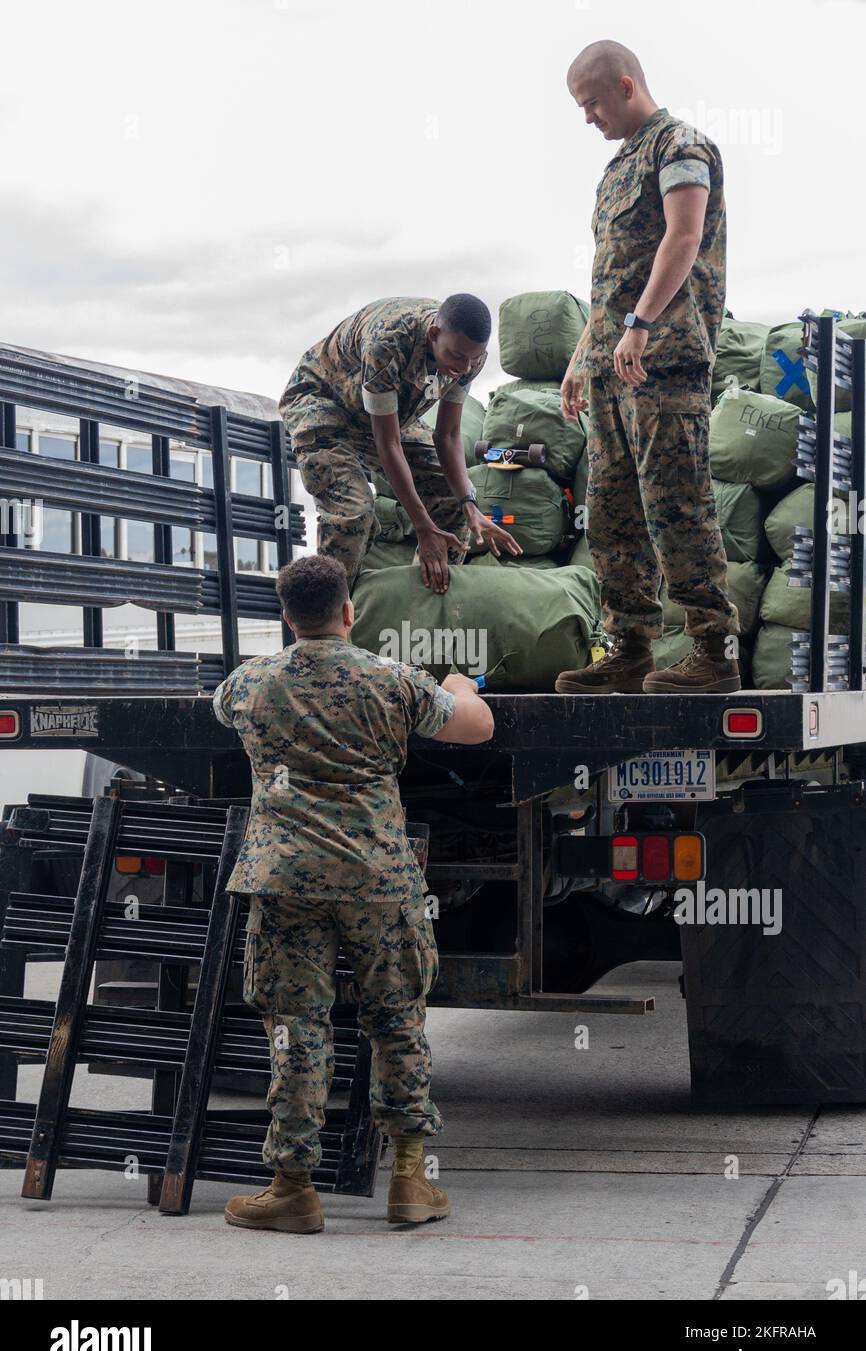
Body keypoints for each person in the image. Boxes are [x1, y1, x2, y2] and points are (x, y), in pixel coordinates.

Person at [213, 554, 494, 1233]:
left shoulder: (247, 683)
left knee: (295, 1027)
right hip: (377, 879)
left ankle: (292, 1188)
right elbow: (475, 726)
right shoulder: (392, 680)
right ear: (349, 611)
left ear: (287, 617)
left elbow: (227, 714)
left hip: (283, 880)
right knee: (396, 1020)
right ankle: (408, 1183)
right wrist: (459, 682)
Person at [556, 39, 741, 695]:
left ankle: (714, 654)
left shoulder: (679, 146)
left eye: (591, 103)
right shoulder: (615, 170)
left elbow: (683, 236)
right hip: (613, 369)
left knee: (677, 508)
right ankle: (629, 648)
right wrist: (583, 357)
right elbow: (609, 279)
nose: (588, 118)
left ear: (626, 86)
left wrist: (640, 325)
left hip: (663, 363)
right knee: (612, 518)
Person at [279, 294, 521, 595]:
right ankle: (328, 620)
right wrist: (422, 526)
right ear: (434, 334)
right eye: (458, 357)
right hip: (323, 403)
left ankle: (421, 608)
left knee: (451, 497)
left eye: (474, 358)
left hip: (383, 415)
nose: (465, 367)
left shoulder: (468, 357)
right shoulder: (390, 341)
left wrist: (470, 506)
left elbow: (447, 436)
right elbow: (387, 441)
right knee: (353, 511)